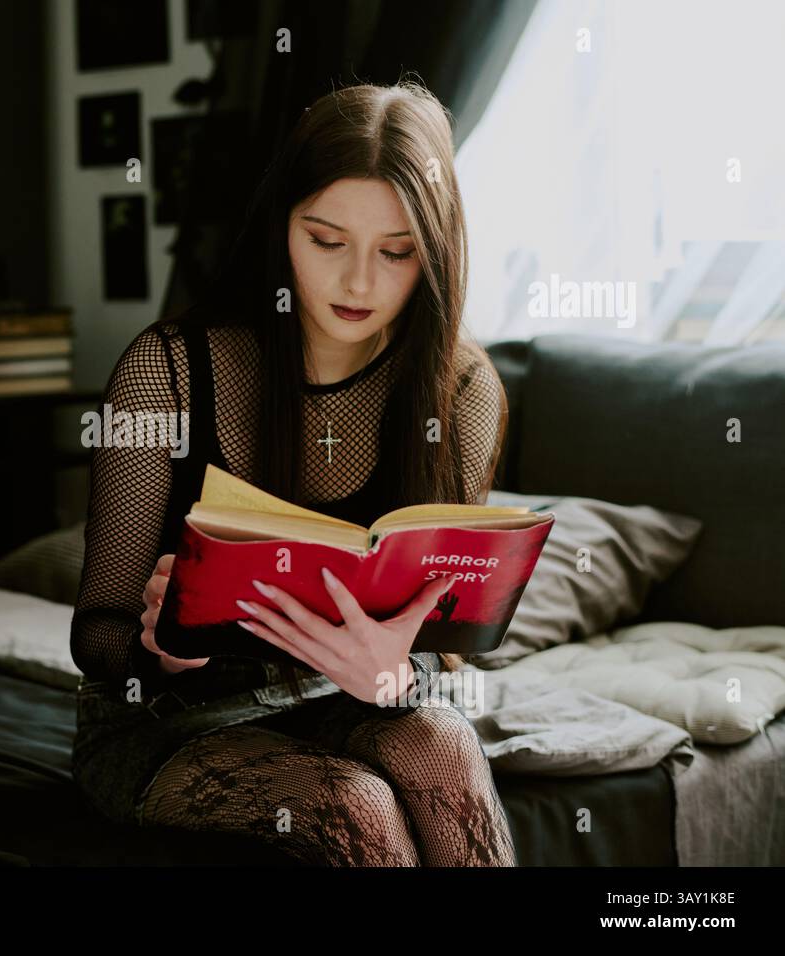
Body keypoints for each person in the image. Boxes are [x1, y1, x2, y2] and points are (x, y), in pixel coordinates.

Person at [69, 81, 517, 866]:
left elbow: (443, 645)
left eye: (397, 252)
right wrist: (158, 649)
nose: (359, 284)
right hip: (172, 718)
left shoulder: (464, 391)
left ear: (437, 252)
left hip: (354, 702)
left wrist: (397, 677)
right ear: (282, 228)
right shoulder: (167, 371)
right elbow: (96, 629)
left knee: (443, 749)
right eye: (326, 239)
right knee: (354, 803)